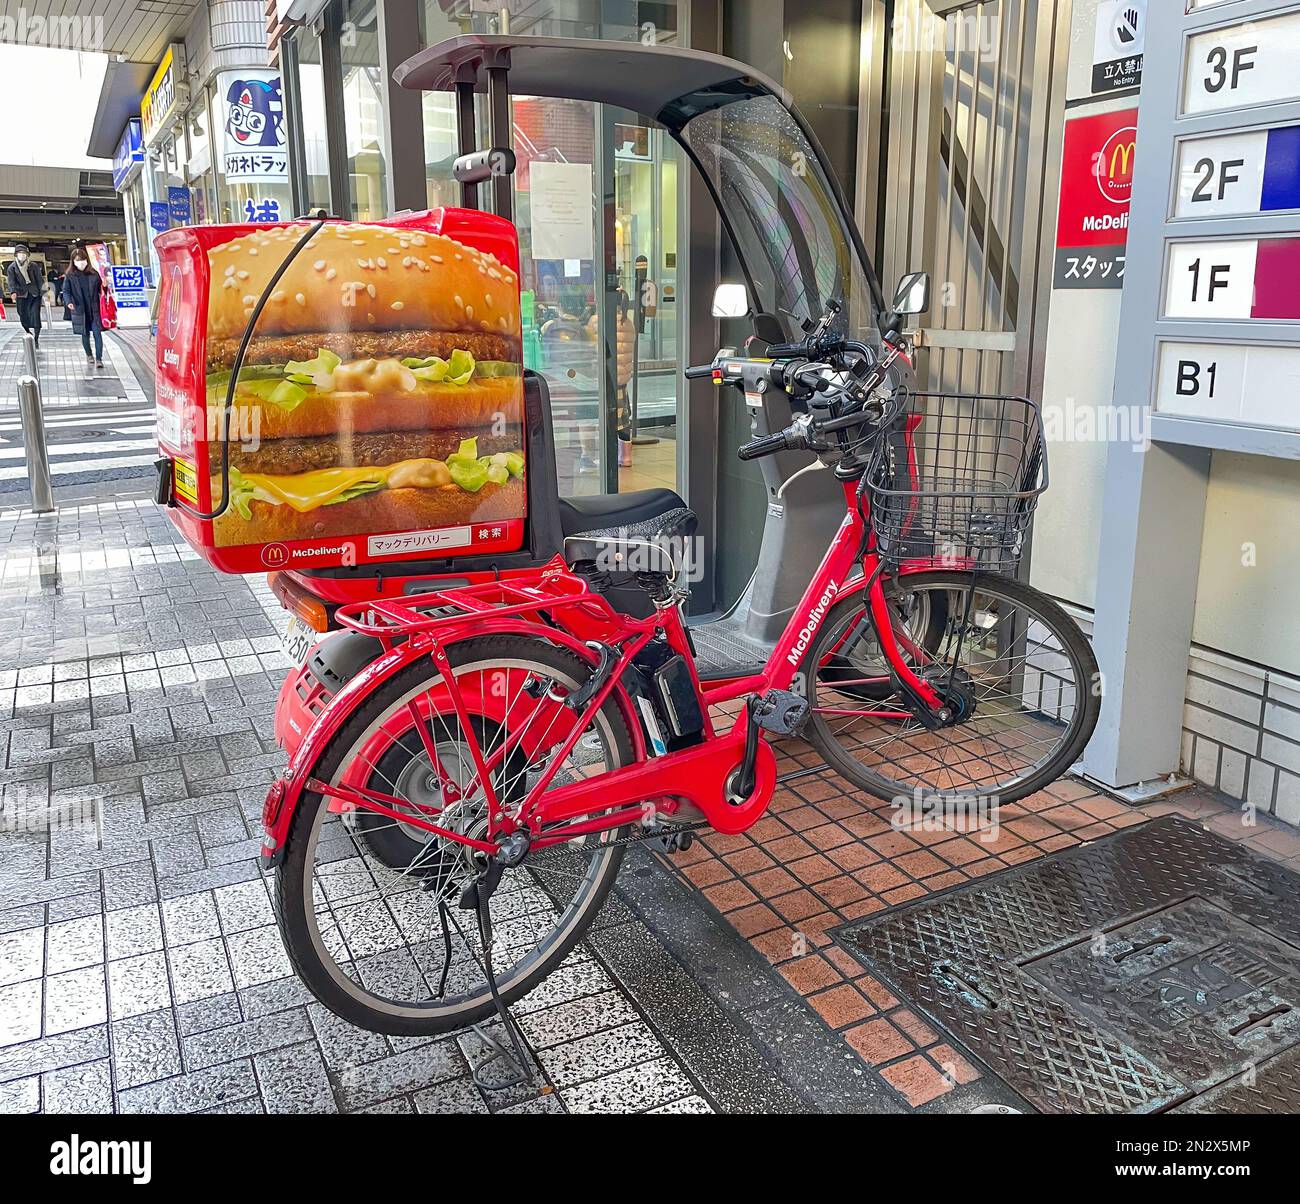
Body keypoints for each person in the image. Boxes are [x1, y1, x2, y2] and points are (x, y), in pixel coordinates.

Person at [63, 248, 104, 368]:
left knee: (97, 334)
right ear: (73, 261)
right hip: (80, 309)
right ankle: (89, 354)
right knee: (84, 334)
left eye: (82, 259)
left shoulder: (94, 273)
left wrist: (105, 286)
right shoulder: (70, 275)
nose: (80, 262)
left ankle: (99, 359)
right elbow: (66, 291)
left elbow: (101, 290)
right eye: (77, 260)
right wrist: (69, 302)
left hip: (94, 308)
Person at [5, 244, 45, 347]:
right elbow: (11, 282)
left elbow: (40, 280)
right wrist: (13, 292)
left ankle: (36, 338)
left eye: (24, 253)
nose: (22, 255)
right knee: (22, 315)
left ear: (27, 255)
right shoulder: (12, 268)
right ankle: (28, 331)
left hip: (34, 294)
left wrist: (44, 293)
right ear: (16, 255)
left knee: (36, 315)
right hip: (21, 295)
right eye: (20, 253)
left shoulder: (33, 266)